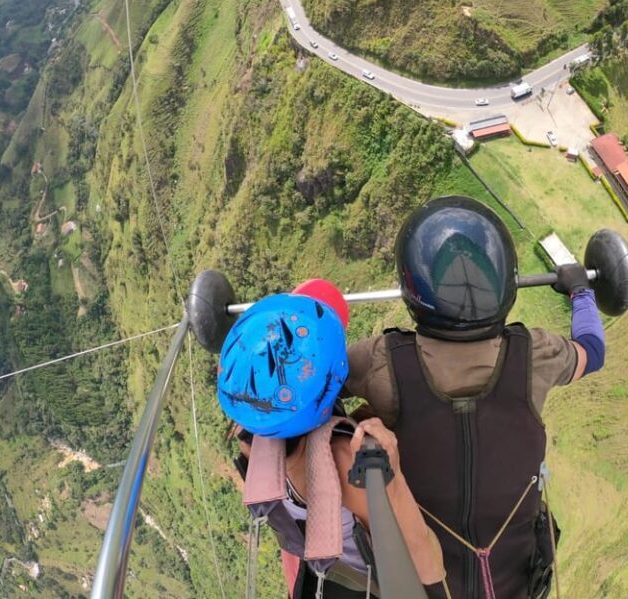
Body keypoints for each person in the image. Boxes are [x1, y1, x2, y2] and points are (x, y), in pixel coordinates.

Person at [344, 196, 606, 599]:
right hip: (514, 584)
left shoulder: (380, 362)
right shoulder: (534, 355)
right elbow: (592, 350)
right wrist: (580, 292)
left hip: (420, 583)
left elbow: (317, 380)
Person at [217, 286, 446, 598]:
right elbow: (427, 564)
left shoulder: (249, 434)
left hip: (319, 555)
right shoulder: (346, 463)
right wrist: (393, 479)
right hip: (369, 577)